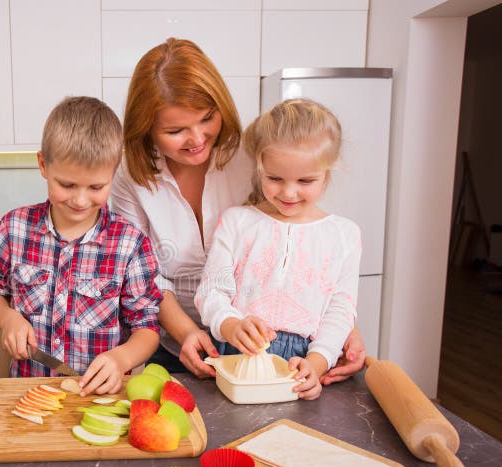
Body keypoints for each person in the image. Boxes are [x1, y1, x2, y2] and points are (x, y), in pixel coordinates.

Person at [110, 37, 365, 382]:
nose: (197, 138)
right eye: (175, 130)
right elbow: (141, 275)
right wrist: (187, 332)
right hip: (172, 342)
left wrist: (341, 332)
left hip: (263, 348)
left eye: (206, 119)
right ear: (147, 129)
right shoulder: (131, 177)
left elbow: (302, 251)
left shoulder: (252, 156)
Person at [0, 96, 163, 396]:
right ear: (43, 164)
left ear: (113, 173)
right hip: (29, 393)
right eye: (66, 185)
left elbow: (147, 328)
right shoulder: (13, 228)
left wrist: (122, 358)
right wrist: (8, 318)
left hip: (96, 398)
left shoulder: (130, 244)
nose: (80, 200)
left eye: (96, 187)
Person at [194, 98, 360, 400]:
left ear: (329, 172)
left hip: (304, 361)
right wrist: (231, 325)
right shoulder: (236, 222)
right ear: (259, 167)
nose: (288, 192)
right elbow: (210, 292)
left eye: (305, 180)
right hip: (236, 355)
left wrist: (318, 362)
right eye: (274, 178)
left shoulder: (344, 235)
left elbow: (340, 310)